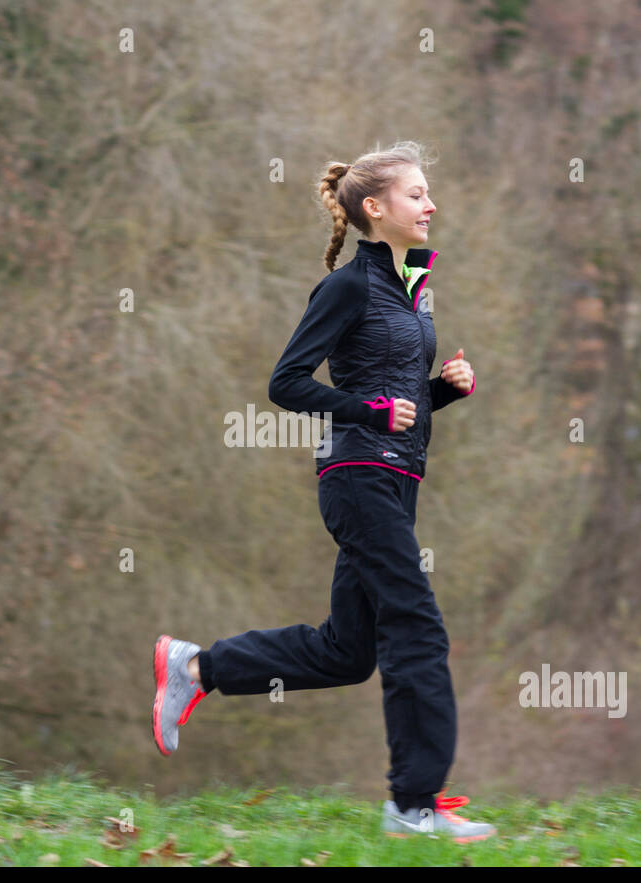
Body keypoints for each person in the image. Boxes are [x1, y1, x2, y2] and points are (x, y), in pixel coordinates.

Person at [152, 140, 491, 842]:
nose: (431, 205)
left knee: (348, 650)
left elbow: (396, 397)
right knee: (417, 627)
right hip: (357, 477)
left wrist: (440, 393)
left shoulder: (414, 288)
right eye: (416, 194)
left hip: (398, 479)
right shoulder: (348, 286)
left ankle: (196, 666)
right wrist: (368, 412)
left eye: (429, 194)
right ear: (375, 208)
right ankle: (413, 805)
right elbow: (287, 383)